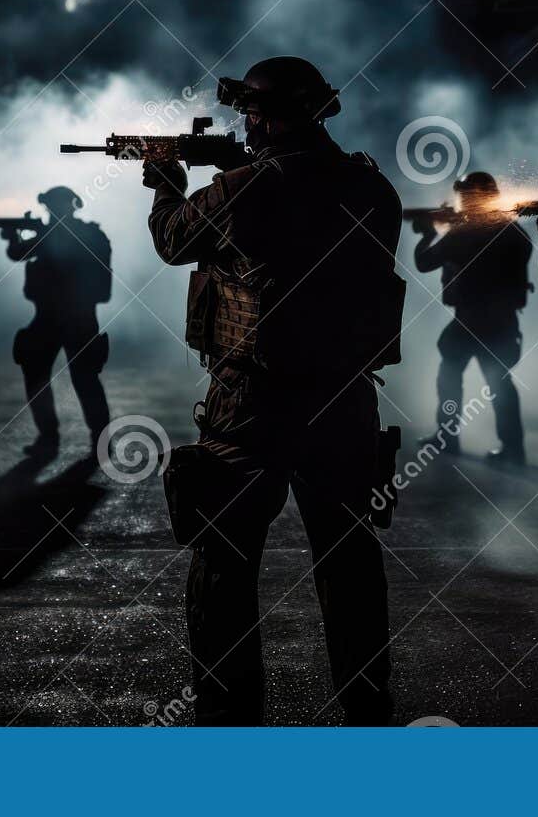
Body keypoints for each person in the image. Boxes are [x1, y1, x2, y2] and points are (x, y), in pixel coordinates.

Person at [146, 56, 404, 724]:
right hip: (344, 399)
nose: (247, 123)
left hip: (254, 403)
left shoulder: (244, 186)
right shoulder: (372, 188)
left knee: (223, 567)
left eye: (251, 113)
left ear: (263, 114)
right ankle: (368, 710)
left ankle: (228, 726)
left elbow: (175, 240)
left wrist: (166, 183)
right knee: (348, 562)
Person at [412, 171, 532, 465]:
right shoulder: (512, 231)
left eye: (466, 195)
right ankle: (513, 449)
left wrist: (428, 232)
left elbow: (424, 262)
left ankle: (447, 438)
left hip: (471, 319)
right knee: (500, 384)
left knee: (451, 376)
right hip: (502, 321)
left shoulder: (466, 233)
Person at [4, 186, 113, 461]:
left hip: (63, 316)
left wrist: (16, 238)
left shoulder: (72, 234)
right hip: (67, 316)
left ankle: (59, 438)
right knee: (71, 377)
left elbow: (18, 252)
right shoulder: (89, 234)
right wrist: (16, 237)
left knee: (75, 378)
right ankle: (69, 438)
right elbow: (19, 253)